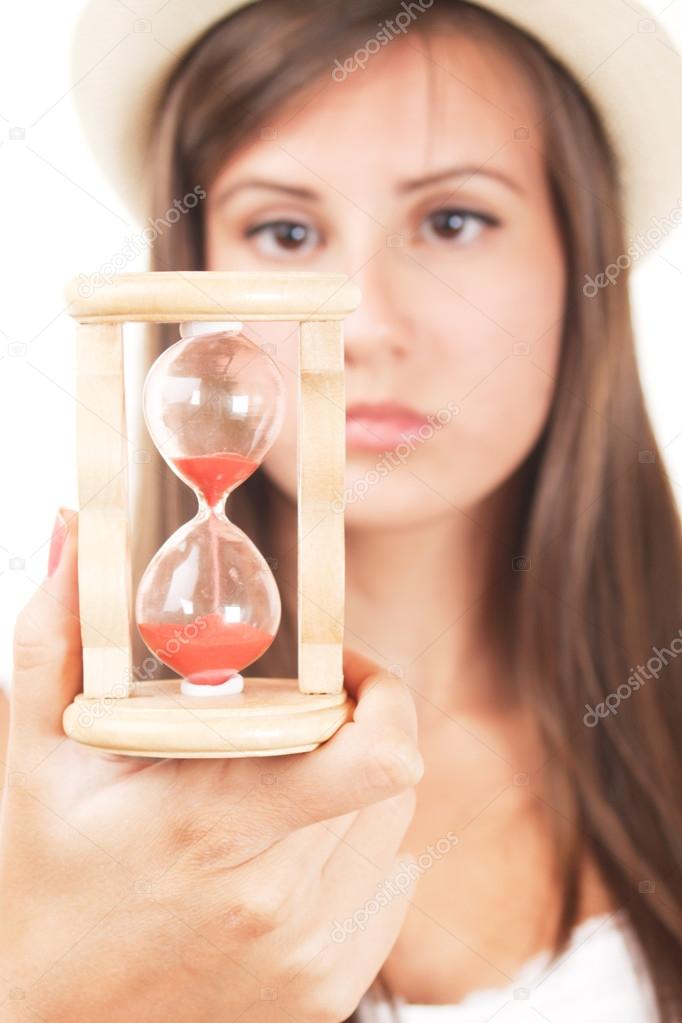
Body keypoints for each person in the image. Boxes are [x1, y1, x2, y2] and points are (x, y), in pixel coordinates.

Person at [2, 1, 681, 1020]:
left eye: (453, 221)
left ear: (578, 265)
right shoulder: (43, 807)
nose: (364, 322)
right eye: (284, 231)